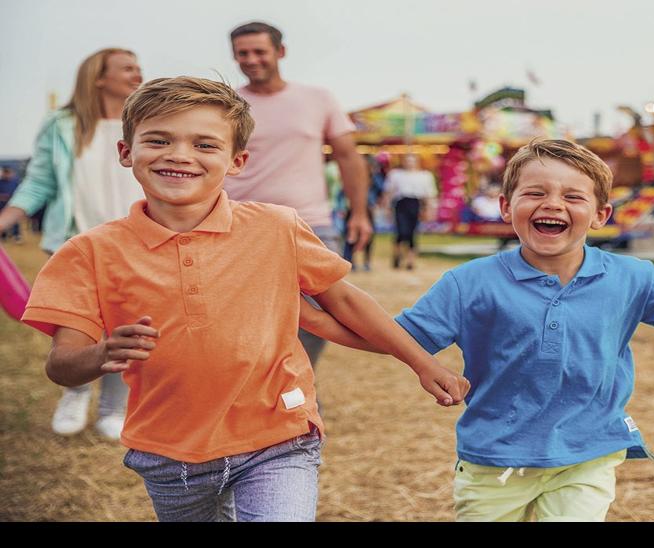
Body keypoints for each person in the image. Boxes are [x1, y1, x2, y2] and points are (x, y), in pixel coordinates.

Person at [19, 77, 468, 522]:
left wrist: (422, 363)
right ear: (125, 152)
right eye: (158, 140)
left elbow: (345, 303)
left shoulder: (278, 228)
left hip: (279, 436)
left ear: (237, 161)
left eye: (205, 145)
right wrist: (103, 354)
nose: (180, 155)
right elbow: (62, 365)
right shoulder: (87, 253)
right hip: (168, 452)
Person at [390, 138, 654, 523]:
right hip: (493, 457)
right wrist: (327, 316)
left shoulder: (632, 277)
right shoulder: (470, 282)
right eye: (535, 193)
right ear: (507, 206)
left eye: (573, 197)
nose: (553, 204)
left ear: (601, 214)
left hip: (588, 452)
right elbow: (398, 335)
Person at [0, 47, 144, 440]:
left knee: (125, 325)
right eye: (127, 68)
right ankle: (76, 391)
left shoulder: (146, 119)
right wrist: (5, 220)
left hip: (137, 241)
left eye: (138, 66)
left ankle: (113, 408)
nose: (138, 73)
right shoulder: (61, 124)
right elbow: (39, 181)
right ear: (98, 77)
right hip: (74, 242)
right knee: (75, 328)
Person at [222, 21, 373, 384]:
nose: (251, 60)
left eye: (260, 51)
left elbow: (349, 158)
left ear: (281, 52)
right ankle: (265, 389)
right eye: (243, 53)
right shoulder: (228, 104)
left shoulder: (318, 98)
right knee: (243, 316)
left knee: (323, 311)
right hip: (238, 223)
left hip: (310, 222)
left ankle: (295, 382)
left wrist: (360, 213)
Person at [382, 153, 438, 271]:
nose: (410, 163)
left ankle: (411, 261)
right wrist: (386, 208)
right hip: (401, 204)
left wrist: (429, 209)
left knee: (412, 233)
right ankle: (397, 255)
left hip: (416, 204)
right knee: (401, 232)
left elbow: (429, 195)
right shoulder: (396, 174)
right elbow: (389, 192)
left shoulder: (425, 175)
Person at [0, 167, 22, 241]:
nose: (7, 175)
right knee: (2, 219)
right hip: (1, 204)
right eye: (5, 173)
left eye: (9, 173)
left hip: (13, 203)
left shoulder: (15, 182)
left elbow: (19, 191)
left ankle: (16, 235)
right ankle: (3, 235)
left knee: (14, 220)